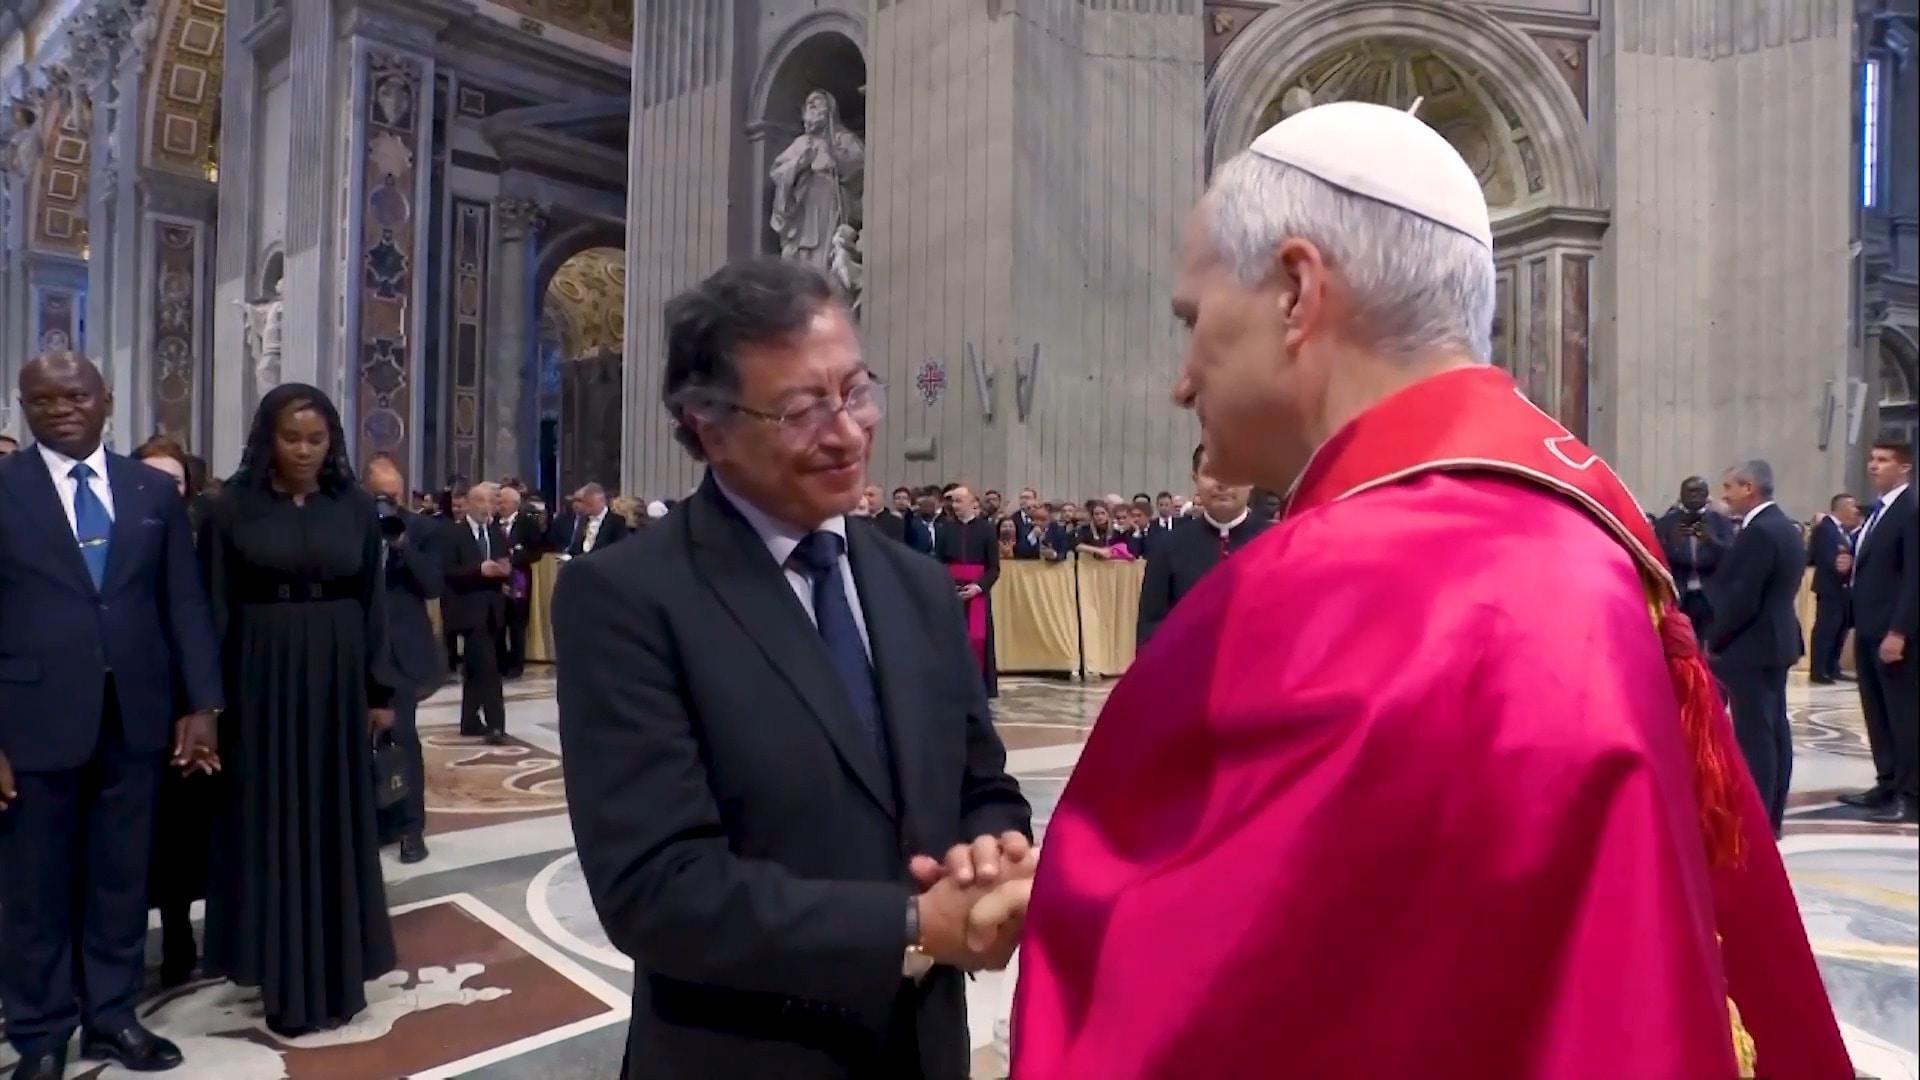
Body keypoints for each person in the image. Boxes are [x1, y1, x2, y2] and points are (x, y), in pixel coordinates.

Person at [965, 102, 1845, 1078]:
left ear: (1297, 292)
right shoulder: (1592, 545)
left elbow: (1200, 1009)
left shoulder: (1315, 593)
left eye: (1192, 320)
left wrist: (1072, 905)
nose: (1181, 381)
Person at [553, 257, 1030, 1079]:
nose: (846, 431)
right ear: (709, 426)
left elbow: (980, 781)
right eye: (803, 410)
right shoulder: (629, 598)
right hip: (745, 1052)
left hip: (922, 1046)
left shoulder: (913, 585)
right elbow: (659, 888)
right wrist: (909, 924)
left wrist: (990, 852)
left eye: (855, 391)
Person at [0, 354, 221, 1079]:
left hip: (136, 714)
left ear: (107, 401)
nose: (60, 407)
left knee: (121, 878)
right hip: (31, 720)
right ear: (24, 408)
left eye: (75, 394)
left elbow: (183, 603)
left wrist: (202, 705)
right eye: (42, 399)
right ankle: (37, 1036)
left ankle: (113, 1017)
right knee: (34, 887)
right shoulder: (5, 488)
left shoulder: (150, 489)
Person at [197, 383, 397, 1037]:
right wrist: (208, 702)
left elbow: (373, 600)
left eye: (317, 439)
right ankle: (281, 972)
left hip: (338, 677)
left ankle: (339, 973)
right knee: (272, 818)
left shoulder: (358, 507)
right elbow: (214, 605)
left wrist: (380, 691)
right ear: (267, 439)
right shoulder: (231, 508)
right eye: (292, 438)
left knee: (333, 816)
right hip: (261, 677)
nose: (306, 450)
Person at [131, 435, 215, 988]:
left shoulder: (202, 542)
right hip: (126, 702)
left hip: (185, 708)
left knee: (180, 835)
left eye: (174, 481)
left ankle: (181, 933)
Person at [1705, 460, 1805, 834]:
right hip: (1773, 643)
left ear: (1749, 488)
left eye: (1729, 486)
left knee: (1756, 737)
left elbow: (1742, 598)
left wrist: (1715, 639)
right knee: (1775, 730)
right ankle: (1772, 811)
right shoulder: (1783, 526)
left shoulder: (1760, 532)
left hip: (1751, 647)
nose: (1725, 495)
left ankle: (1759, 820)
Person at [365, 454, 447, 862]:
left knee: (402, 739)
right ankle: (371, 821)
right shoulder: (349, 525)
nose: (388, 504)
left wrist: (402, 547)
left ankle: (411, 828)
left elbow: (432, 585)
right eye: (380, 496)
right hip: (355, 649)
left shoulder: (423, 529)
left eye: (394, 496)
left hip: (400, 654)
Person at [1840, 438, 1918, 823]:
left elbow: (1914, 577)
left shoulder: (1910, 509)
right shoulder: (1878, 512)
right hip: (1869, 626)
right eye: (1871, 459)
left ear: (1903, 467)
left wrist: (1899, 632)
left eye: (1883, 460)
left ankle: (1910, 792)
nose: (1873, 466)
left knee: (1903, 713)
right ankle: (1887, 781)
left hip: (1894, 632)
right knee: (1876, 711)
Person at [1136, 444, 1268, 645]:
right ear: (1195, 479)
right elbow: (1150, 631)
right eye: (1210, 472)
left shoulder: (1277, 543)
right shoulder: (1168, 547)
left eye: (1233, 471)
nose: (1222, 483)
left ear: (1251, 480)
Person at [445, 482, 510, 744]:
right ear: (470, 504)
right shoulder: (454, 534)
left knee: (474, 667)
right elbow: (448, 571)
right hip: (468, 609)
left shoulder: (494, 532)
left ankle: (469, 721)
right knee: (488, 669)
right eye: (482, 502)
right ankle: (496, 725)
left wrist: (504, 569)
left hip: (494, 608)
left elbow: (505, 560)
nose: (487, 508)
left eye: (490, 502)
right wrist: (478, 570)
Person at [935, 484, 1000, 699]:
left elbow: (994, 568)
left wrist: (978, 587)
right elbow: (939, 562)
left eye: (959, 501)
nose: (955, 505)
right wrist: (947, 585)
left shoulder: (987, 530)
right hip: (951, 592)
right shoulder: (945, 529)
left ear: (973, 503)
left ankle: (979, 686)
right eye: (953, 501)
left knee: (978, 639)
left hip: (977, 592)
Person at [1655, 476, 1736, 646]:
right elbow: (1656, 558)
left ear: (1707, 495)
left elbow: (1732, 556)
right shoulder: (1666, 522)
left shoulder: (1721, 522)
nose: (1694, 496)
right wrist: (1675, 543)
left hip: (1711, 595)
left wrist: (1710, 540)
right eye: (1690, 491)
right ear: (1681, 494)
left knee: (1710, 648)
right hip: (1678, 594)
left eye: (1699, 492)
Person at [1807, 492, 1861, 683]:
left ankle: (1832, 666)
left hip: (1843, 588)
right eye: (1852, 506)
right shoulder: (1826, 529)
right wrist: (1838, 565)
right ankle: (1819, 669)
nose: (1855, 511)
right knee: (1826, 628)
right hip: (1829, 587)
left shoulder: (1842, 531)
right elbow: (1824, 556)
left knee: (1840, 628)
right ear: (1842, 507)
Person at [496, 483, 544, 679]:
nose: (501, 505)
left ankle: (516, 664)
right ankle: (500, 662)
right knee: (498, 622)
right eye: (499, 501)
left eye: (504, 501)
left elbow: (537, 551)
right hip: (496, 580)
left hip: (519, 579)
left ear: (515, 504)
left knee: (517, 624)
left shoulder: (528, 523)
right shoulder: (492, 522)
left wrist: (515, 559)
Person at [905, 486, 942, 554]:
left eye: (930, 506)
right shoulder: (912, 525)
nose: (928, 508)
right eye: (925, 505)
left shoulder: (940, 526)